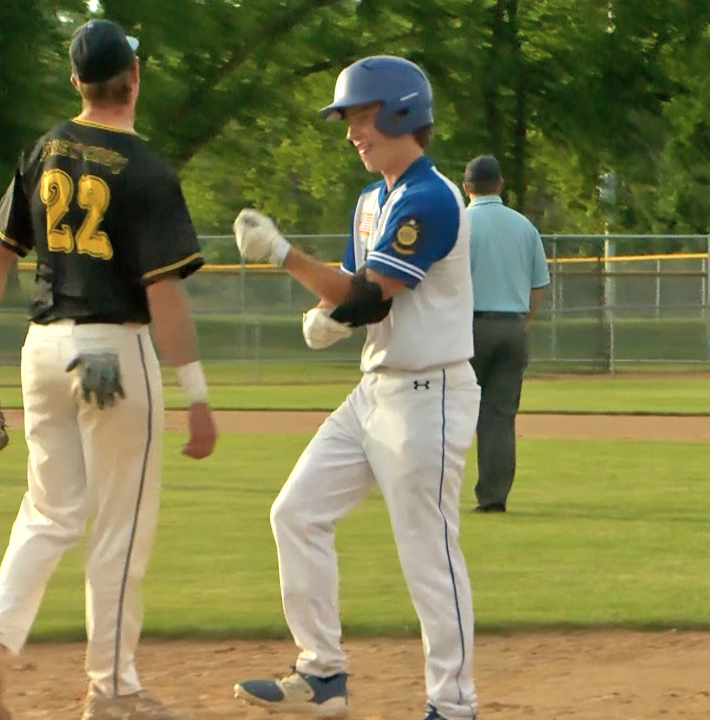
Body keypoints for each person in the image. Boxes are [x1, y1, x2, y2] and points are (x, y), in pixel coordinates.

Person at [0, 18, 217, 720]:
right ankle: (113, 690)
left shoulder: (44, 150)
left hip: (42, 349)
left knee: (48, 512)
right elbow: (164, 293)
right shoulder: (149, 169)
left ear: (76, 81)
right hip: (115, 351)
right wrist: (195, 394)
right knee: (120, 525)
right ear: (134, 78)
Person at [231, 56, 481, 720]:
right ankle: (322, 676)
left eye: (361, 116)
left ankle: (452, 705)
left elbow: (371, 290)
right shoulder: (373, 200)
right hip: (377, 391)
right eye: (349, 119)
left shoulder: (429, 196)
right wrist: (334, 319)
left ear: (401, 112)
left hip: (431, 393)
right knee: (296, 512)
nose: (351, 133)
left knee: (428, 553)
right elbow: (362, 301)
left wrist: (285, 255)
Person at [463, 154, 550, 513]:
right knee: (498, 415)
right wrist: (518, 321)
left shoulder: (459, 225)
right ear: (500, 184)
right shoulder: (524, 227)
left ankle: (429, 492)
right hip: (512, 326)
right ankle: (494, 496)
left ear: (466, 187)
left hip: (465, 327)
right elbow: (538, 286)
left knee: (447, 411)